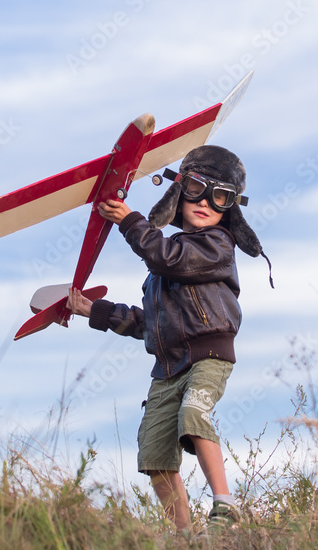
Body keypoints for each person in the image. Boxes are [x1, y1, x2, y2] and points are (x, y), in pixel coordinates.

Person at [66, 145, 270, 532]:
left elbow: (167, 256)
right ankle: (184, 535)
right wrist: (94, 310)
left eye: (221, 196)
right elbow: (149, 323)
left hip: (209, 354)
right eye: (196, 187)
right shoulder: (160, 273)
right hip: (167, 368)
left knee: (194, 415)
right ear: (179, 191)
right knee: (155, 454)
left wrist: (129, 220)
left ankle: (225, 506)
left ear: (230, 208)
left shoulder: (217, 246)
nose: (207, 202)